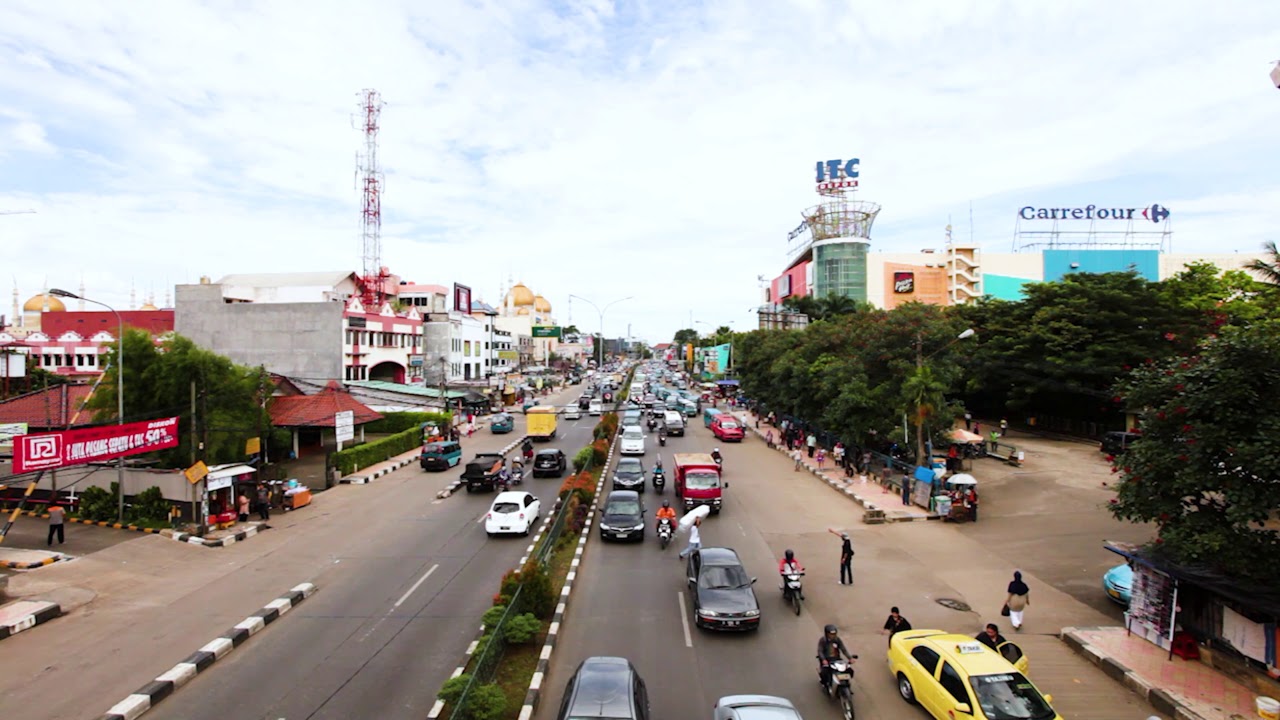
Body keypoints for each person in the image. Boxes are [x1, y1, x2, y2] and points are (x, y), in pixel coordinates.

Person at [816, 624, 855, 690]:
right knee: (824, 673)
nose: (832, 636)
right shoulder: (822, 640)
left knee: (848, 670)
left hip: (836, 659)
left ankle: (847, 685)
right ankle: (827, 685)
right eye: (830, 634)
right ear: (826, 633)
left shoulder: (837, 640)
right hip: (827, 660)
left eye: (834, 634)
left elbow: (843, 649)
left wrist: (850, 658)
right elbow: (820, 651)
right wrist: (823, 659)